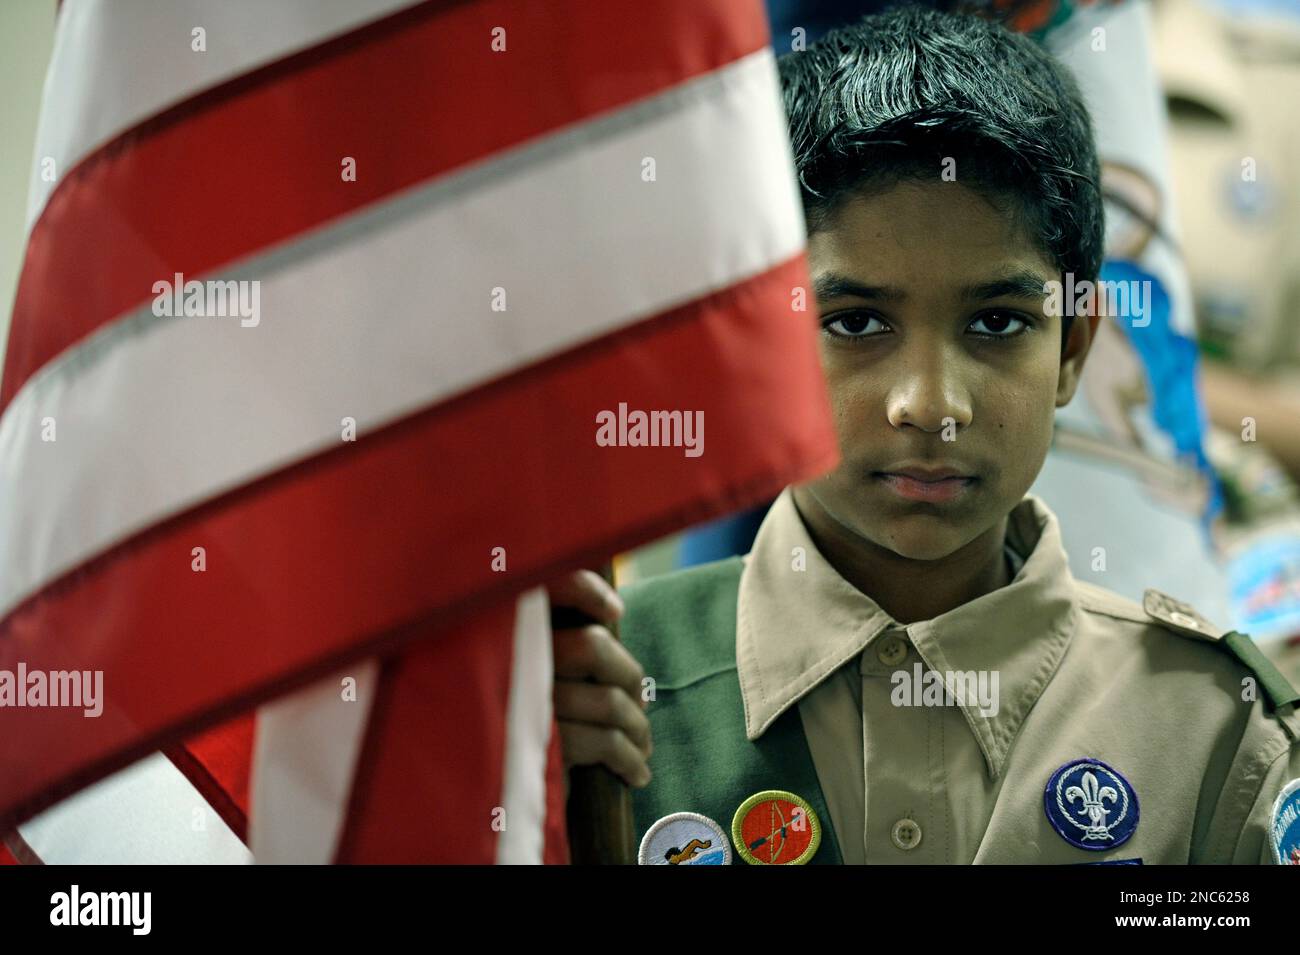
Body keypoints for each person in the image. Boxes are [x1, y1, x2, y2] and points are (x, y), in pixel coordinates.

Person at [550, 6, 1300, 864]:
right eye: (858, 321)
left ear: (1074, 350)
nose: (931, 402)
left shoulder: (1216, 738)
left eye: (997, 322)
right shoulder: (603, 693)